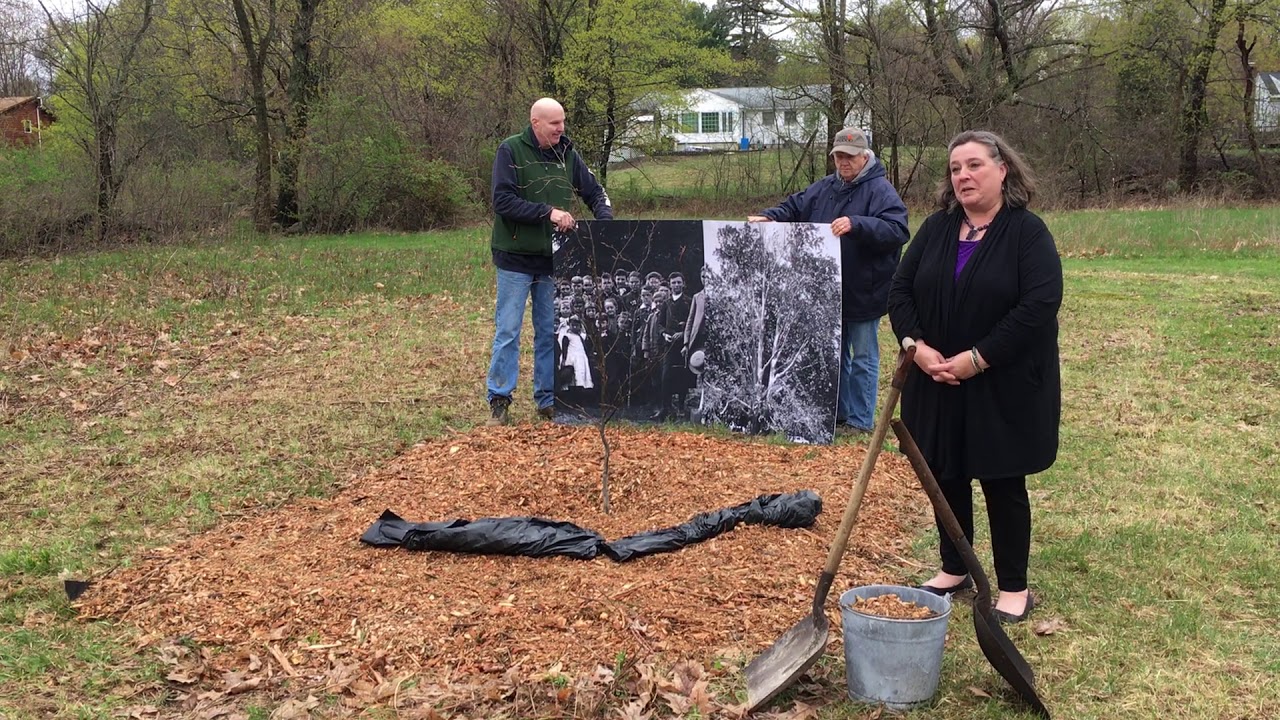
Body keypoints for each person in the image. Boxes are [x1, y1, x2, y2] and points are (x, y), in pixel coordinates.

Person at [887, 130, 1062, 624]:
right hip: (935, 378)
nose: (962, 175)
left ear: (1002, 169)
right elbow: (900, 291)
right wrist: (916, 347)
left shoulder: (1027, 233)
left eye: (974, 166)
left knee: (1001, 479)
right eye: (955, 168)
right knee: (944, 471)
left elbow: (1039, 306)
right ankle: (955, 568)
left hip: (1000, 383)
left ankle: (1013, 587)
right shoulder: (937, 228)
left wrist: (978, 358)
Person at [749, 127, 909, 435]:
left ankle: (861, 421)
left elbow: (898, 230)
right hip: (828, 290)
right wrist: (770, 217)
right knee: (835, 355)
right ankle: (839, 414)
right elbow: (794, 207)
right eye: (838, 156)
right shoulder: (824, 188)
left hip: (866, 289)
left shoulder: (881, 191)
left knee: (863, 356)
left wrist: (857, 224)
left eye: (849, 157)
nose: (843, 163)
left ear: (865, 157)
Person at [486, 97, 613, 426]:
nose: (561, 128)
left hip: (552, 260)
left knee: (548, 333)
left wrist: (607, 222)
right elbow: (502, 201)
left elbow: (594, 192)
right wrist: (548, 212)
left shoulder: (567, 153)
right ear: (536, 123)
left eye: (563, 122)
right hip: (514, 258)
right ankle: (499, 399)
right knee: (509, 331)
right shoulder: (510, 150)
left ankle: (547, 399)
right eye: (554, 123)